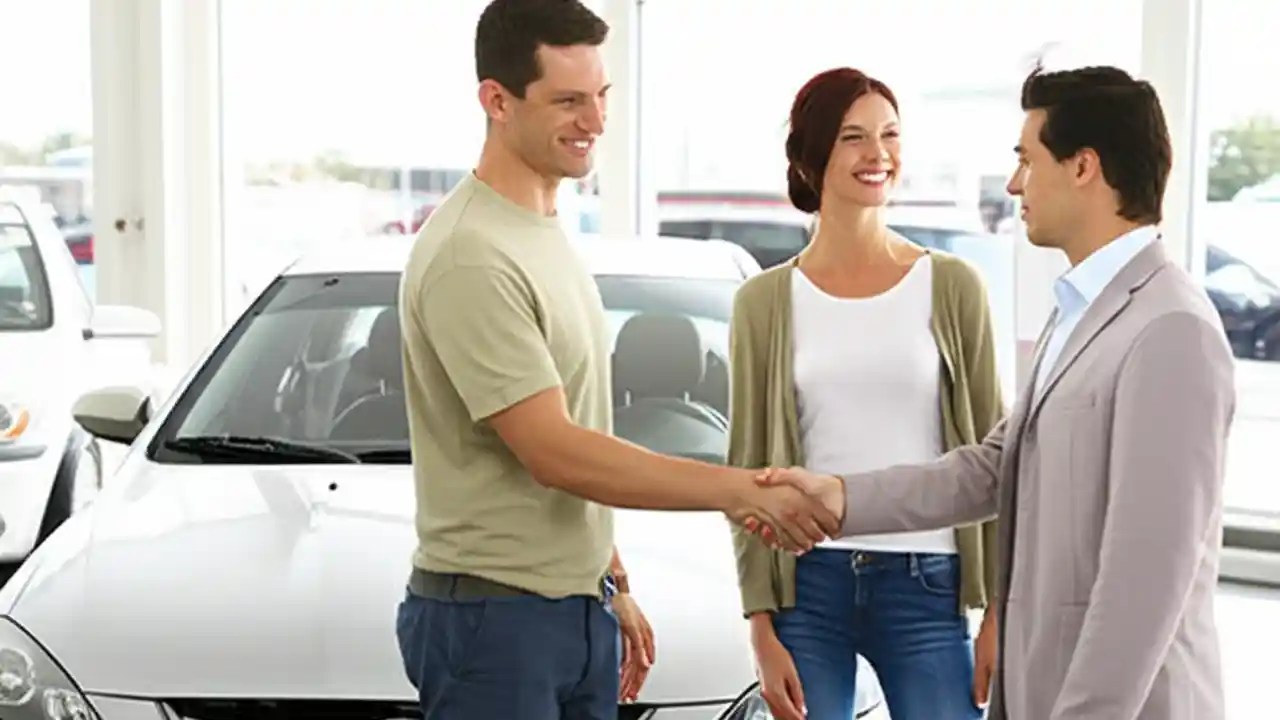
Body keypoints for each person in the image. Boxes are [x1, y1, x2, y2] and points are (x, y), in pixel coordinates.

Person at [393, 2, 840, 718]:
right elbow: (555, 452)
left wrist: (612, 583)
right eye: (568, 101)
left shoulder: (541, 230)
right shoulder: (470, 252)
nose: (596, 121)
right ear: (496, 101)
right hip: (494, 624)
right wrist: (739, 491)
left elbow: (571, 428)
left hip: (567, 612)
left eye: (601, 96)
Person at [754, 65, 1236, 720]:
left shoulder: (1170, 328)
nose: (1014, 184)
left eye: (1027, 160)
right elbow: (990, 468)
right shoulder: (1078, 311)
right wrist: (841, 498)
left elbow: (1144, 588)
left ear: (1083, 167)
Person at [727, 67, 1004, 720]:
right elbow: (744, 472)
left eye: (889, 134)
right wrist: (760, 625)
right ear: (811, 154)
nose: (878, 154)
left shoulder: (952, 286)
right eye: (854, 137)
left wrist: (1000, 607)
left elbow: (997, 453)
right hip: (808, 584)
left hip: (927, 583)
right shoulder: (763, 302)